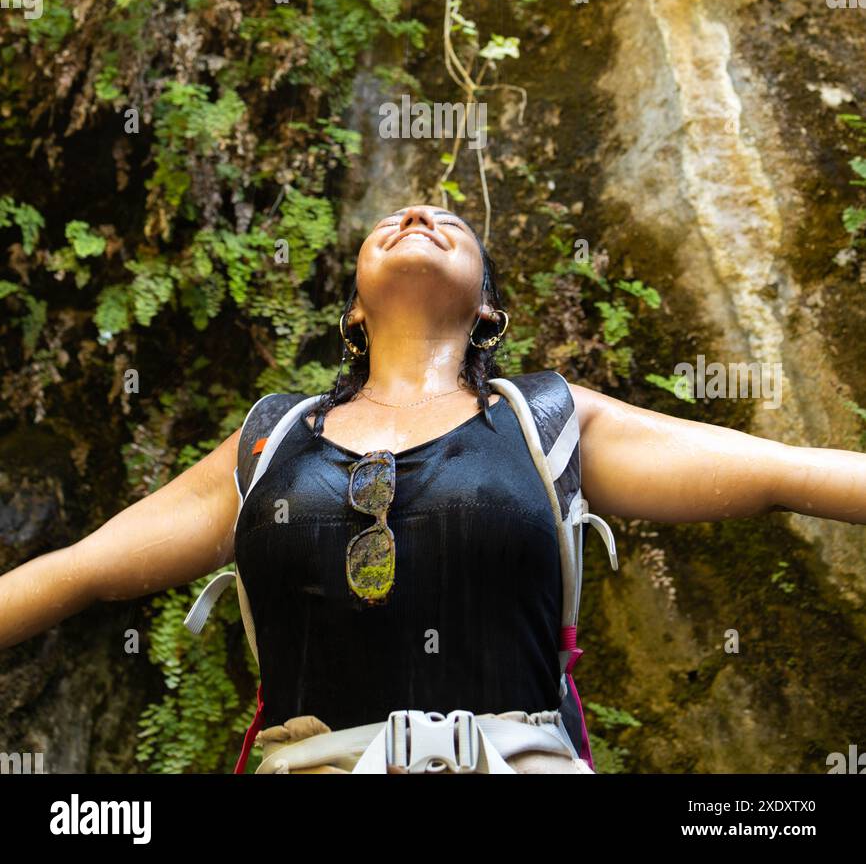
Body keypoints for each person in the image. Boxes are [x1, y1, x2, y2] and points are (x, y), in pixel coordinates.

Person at [1, 203, 865, 774]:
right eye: (396, 218)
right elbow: (77, 571)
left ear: (488, 311)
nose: (417, 214)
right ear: (351, 319)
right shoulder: (271, 440)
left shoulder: (549, 420)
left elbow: (784, 476)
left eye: (449, 221)